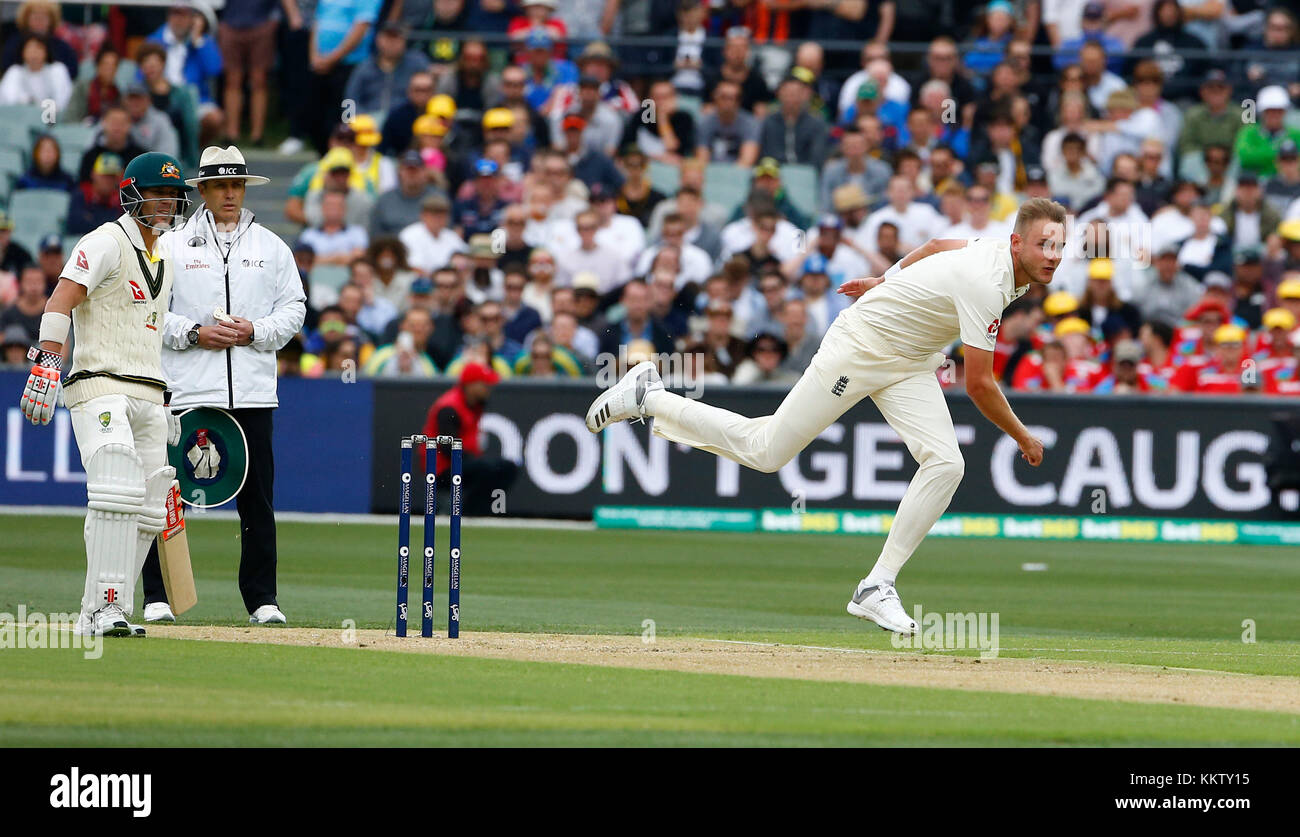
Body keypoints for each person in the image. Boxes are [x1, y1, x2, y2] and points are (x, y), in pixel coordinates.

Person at [586, 199, 1065, 635]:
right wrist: (1023, 437)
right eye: (1045, 244)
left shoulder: (1004, 262)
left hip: (910, 363)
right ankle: (650, 396)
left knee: (946, 462)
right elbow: (980, 384)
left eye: (1060, 246)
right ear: (1016, 241)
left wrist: (886, 279)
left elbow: (940, 244)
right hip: (859, 349)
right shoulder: (988, 279)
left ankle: (877, 587)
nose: (1053, 255)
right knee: (767, 451)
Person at [19, 151, 193, 638]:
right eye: (157, 194)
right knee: (115, 488)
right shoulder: (105, 242)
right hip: (100, 385)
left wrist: (165, 395)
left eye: (173, 196)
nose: (166, 204)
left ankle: (101, 607)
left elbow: (148, 333)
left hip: (148, 391)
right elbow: (60, 299)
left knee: (150, 505)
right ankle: (104, 609)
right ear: (132, 194)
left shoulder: (166, 258)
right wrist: (48, 361)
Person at [144, 146, 306, 625]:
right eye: (220, 185)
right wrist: (195, 334)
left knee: (257, 500)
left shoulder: (271, 246)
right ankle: (157, 595)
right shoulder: (170, 245)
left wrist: (255, 331)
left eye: (236, 185)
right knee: (167, 497)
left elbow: (294, 309)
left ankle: (262, 601)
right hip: (188, 391)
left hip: (253, 393)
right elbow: (152, 313)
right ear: (203, 191)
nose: (230, 193)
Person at [421, 362, 519, 515]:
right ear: (471, 385)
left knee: (507, 468)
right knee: (488, 469)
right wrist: (475, 461)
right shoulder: (449, 407)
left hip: (461, 462)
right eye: (485, 384)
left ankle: (489, 511)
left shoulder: (475, 404)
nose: (488, 388)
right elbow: (448, 448)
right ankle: (469, 513)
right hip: (441, 469)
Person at [0, 34, 71, 109]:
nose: (34, 53)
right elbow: (9, 100)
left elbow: (64, 101)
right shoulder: (15, 72)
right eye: (30, 49)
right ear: (22, 52)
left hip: (52, 118)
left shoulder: (57, 70)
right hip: (21, 117)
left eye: (38, 48)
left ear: (46, 51)